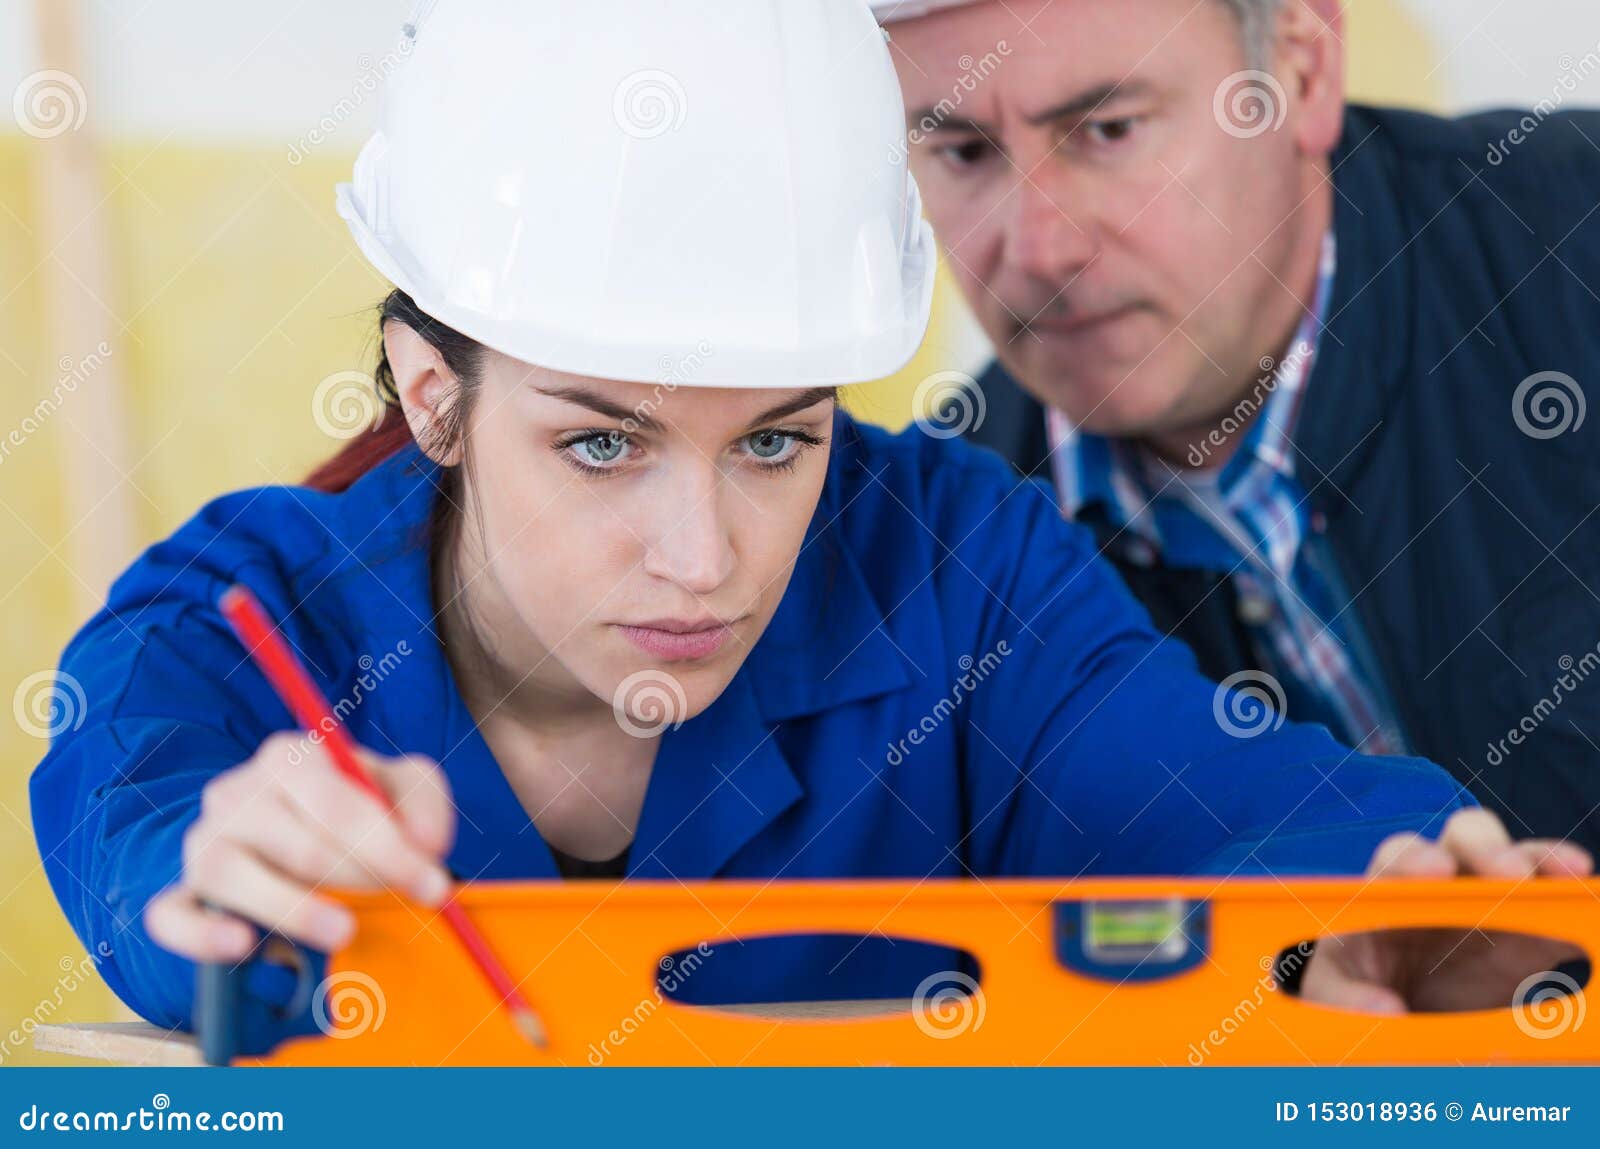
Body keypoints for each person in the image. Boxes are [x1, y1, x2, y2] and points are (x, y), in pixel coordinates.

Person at [29, 0, 1585, 1056]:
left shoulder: (956, 567)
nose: (706, 560)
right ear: (435, 395)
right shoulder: (229, 626)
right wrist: (219, 883)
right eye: (599, 444)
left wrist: (1385, 908)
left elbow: (1212, 795)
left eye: (776, 438)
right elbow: (140, 828)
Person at [873, 0, 1600, 855]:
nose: (1039, 248)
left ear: (1301, 67)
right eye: (961, 151)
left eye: (1108, 130)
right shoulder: (942, 556)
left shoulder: (1572, 248)